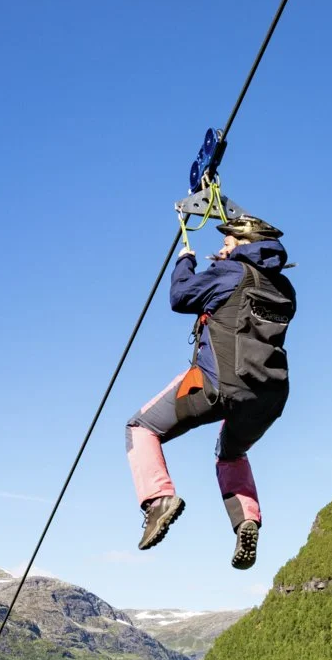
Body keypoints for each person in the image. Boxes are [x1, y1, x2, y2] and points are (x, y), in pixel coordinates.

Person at [126, 213, 295, 570]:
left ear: (246, 244)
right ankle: (246, 520)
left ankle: (158, 501)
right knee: (231, 454)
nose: (221, 248)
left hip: (218, 384)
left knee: (140, 428)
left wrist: (185, 260)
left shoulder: (230, 273)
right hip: (268, 397)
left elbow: (180, 296)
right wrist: (230, 261)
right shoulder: (284, 288)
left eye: (228, 243)